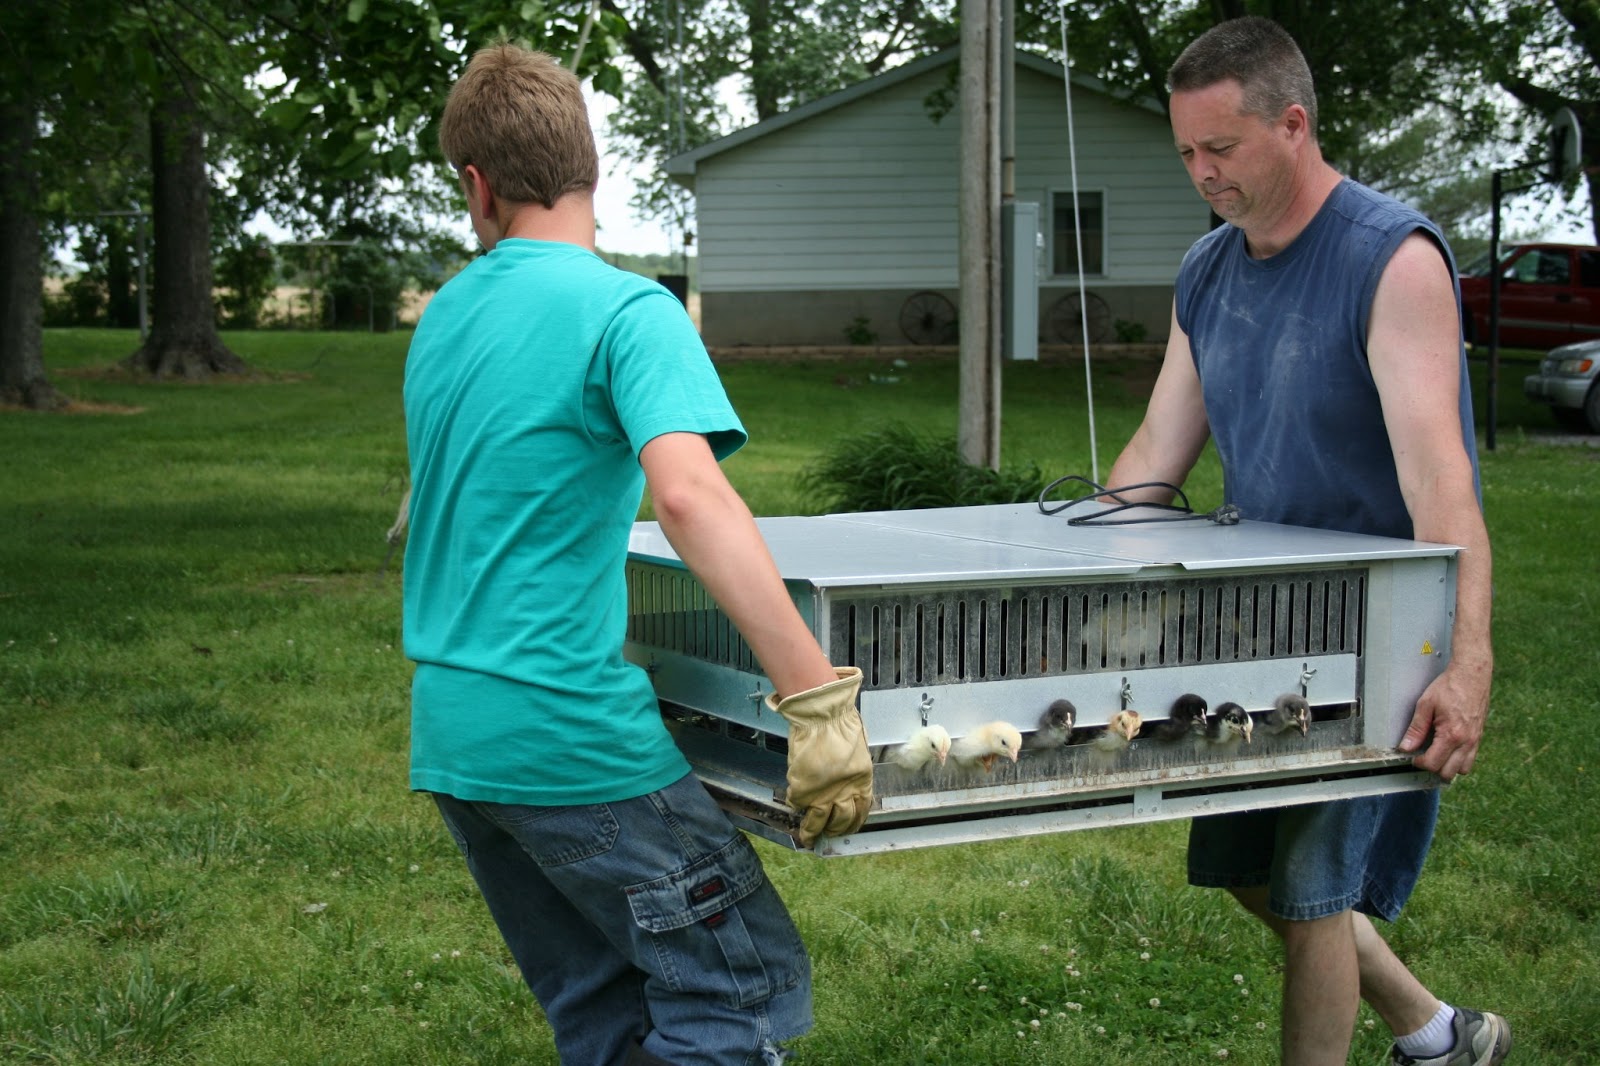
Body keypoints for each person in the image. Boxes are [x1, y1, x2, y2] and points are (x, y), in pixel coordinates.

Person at [401, 43, 872, 1066]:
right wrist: (815, 698)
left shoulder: (443, 318)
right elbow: (691, 496)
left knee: (607, 1004)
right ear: (592, 170)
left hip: (456, 735)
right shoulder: (628, 310)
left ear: (475, 185)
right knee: (741, 985)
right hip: (566, 733)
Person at [1103, 17, 1509, 1066]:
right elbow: (1157, 449)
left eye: (1220, 150)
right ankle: (1435, 1034)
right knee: (1248, 867)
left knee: (1314, 891)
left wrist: (1465, 663)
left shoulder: (1391, 260)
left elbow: (1440, 484)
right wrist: (1088, 573)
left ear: (1292, 125)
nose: (1201, 174)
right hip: (1254, 617)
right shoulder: (1208, 267)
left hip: (1379, 621)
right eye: (1186, 152)